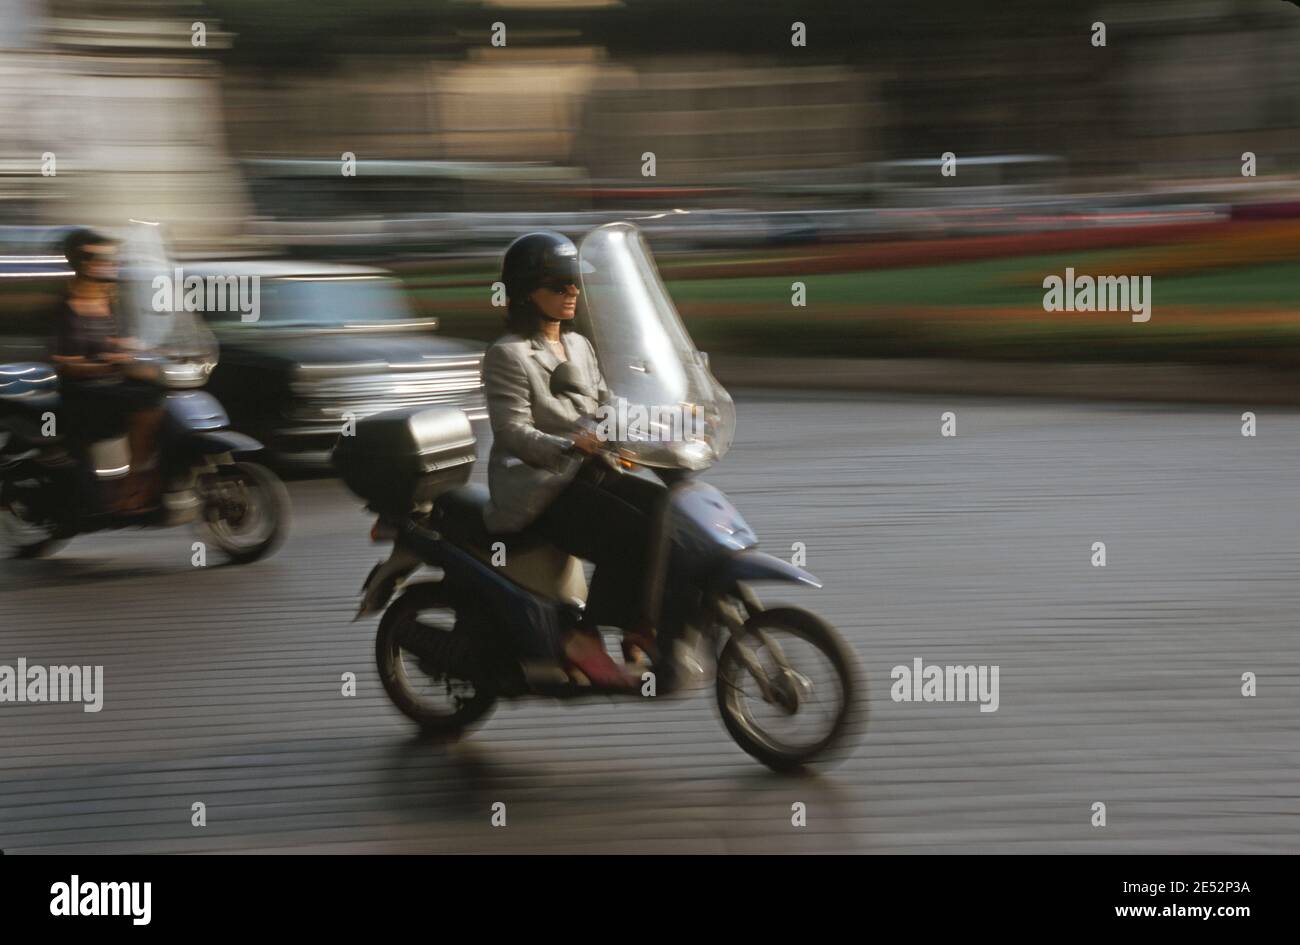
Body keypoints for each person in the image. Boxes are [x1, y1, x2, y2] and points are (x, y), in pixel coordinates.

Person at [482, 231, 663, 688]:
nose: (572, 293)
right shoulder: (507, 355)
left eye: (575, 284)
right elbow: (511, 430)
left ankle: (641, 619)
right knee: (628, 531)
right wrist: (567, 446)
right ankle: (582, 637)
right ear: (527, 291)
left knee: (666, 512)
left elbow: (605, 403)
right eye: (559, 285)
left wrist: (663, 421)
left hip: (583, 474)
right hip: (537, 486)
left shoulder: (578, 344)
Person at [49, 228, 164, 513]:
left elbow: (121, 341)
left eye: (111, 258)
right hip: (82, 395)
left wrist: (148, 350)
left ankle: (161, 474)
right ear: (80, 262)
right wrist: (106, 363)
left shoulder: (110, 301)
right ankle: (132, 484)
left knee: (158, 389)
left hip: (110, 387)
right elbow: (63, 362)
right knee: (147, 402)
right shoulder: (65, 308)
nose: (109, 263)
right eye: (99, 258)